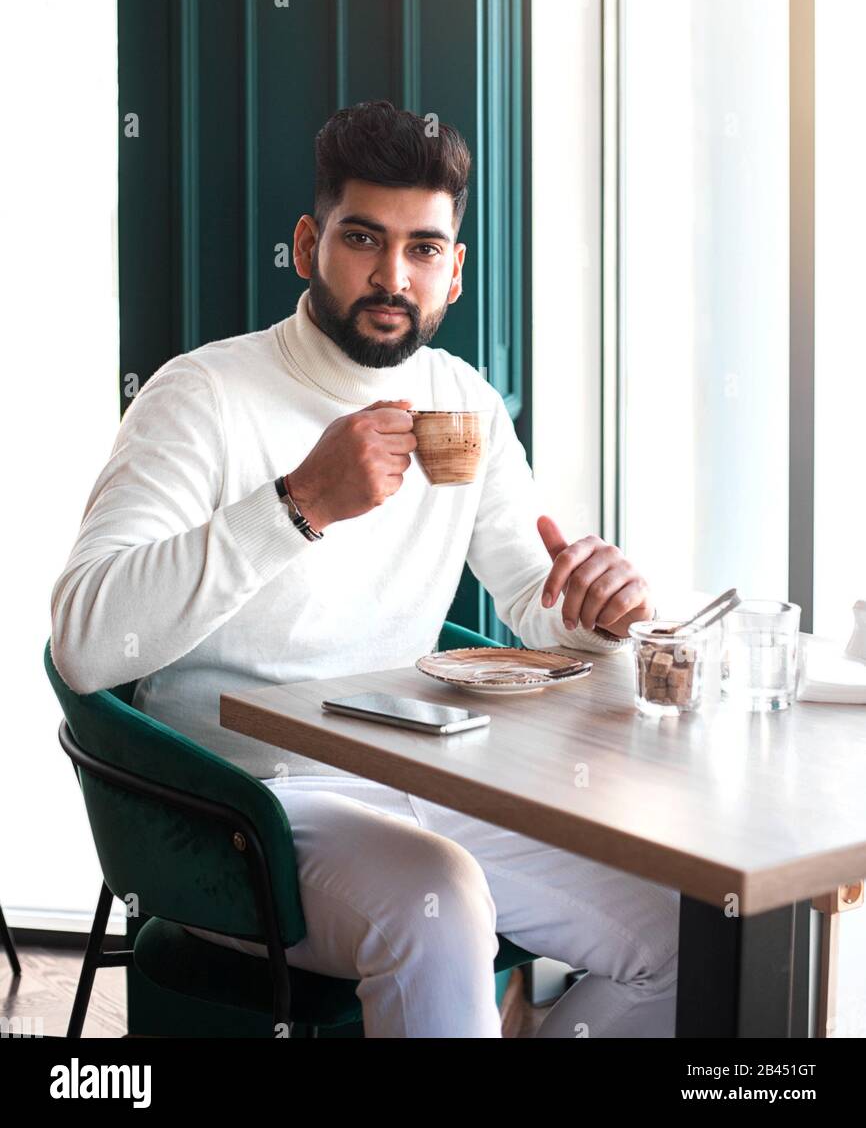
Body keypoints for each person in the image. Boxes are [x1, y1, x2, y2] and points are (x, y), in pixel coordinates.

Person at [50, 100, 678, 1038]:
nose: (393, 275)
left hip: (409, 783)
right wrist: (297, 506)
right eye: (362, 238)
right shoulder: (204, 396)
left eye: (424, 248)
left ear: (455, 272)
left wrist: (599, 608)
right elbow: (88, 642)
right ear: (309, 245)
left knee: (681, 925)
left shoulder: (461, 402)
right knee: (444, 902)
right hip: (233, 807)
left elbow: (532, 600)